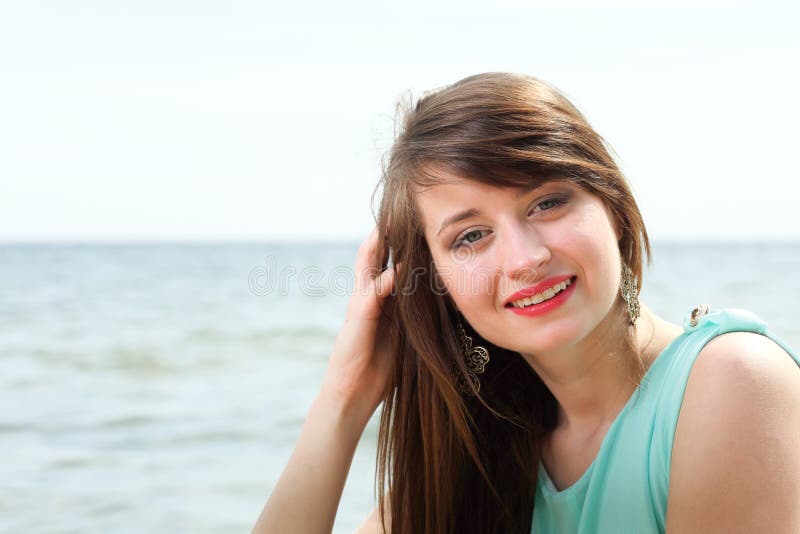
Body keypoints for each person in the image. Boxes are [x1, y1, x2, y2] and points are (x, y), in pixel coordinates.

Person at [252, 73, 800, 534]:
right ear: (436, 282)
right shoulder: (489, 449)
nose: (524, 258)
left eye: (547, 203)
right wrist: (343, 400)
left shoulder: (731, 381)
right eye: (470, 236)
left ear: (611, 207)